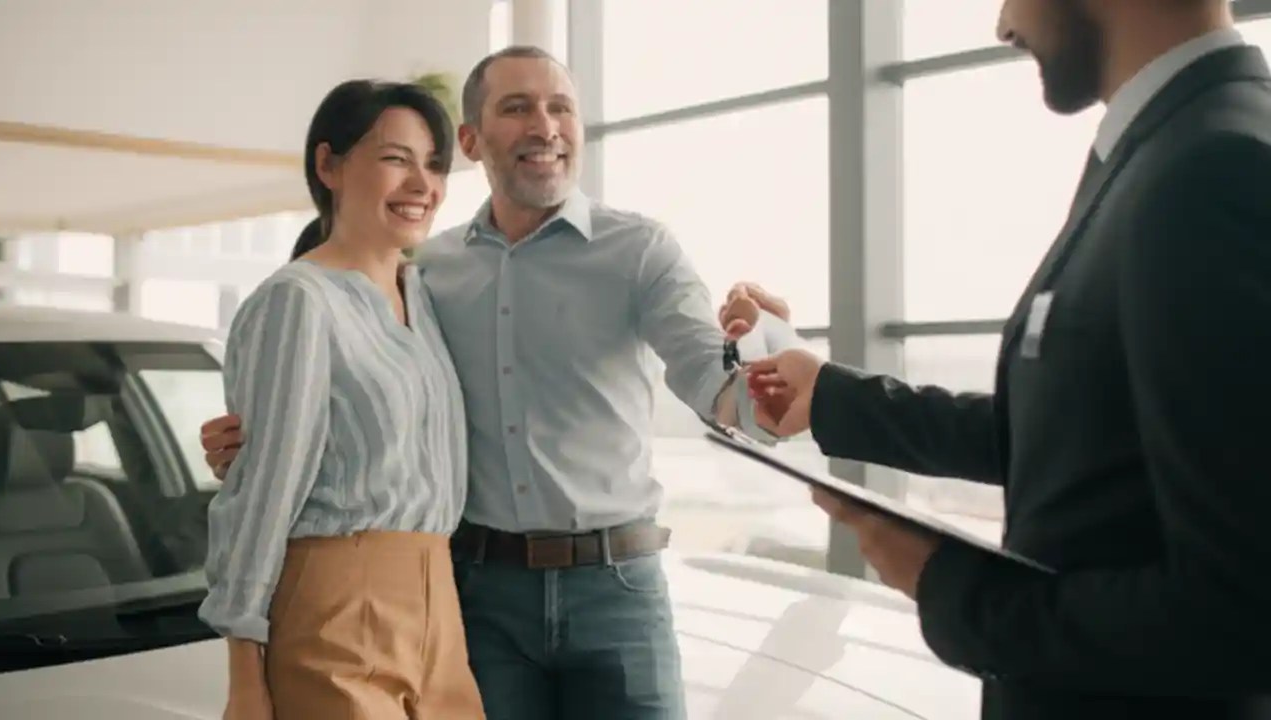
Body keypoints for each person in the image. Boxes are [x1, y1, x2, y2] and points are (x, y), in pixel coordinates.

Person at [199, 46, 792, 719]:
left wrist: (772, 352)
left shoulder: (639, 252)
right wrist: (257, 439)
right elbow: (319, 400)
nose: (545, 126)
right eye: (517, 108)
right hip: (477, 594)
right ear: (473, 140)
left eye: (560, 107)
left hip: (613, 590)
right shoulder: (429, 272)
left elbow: (737, 402)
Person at [743, 1, 1271, 719]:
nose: (1001, 24)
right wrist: (835, 399)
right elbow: (1083, 433)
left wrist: (952, 592)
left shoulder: (1212, 169)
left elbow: (1240, 612)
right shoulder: (1173, 148)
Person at [198, 79, 485, 720]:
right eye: (395, 158)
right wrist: (246, 680)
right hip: (336, 606)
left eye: (435, 164)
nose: (423, 184)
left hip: (439, 602)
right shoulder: (298, 301)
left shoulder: (425, 297)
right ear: (329, 165)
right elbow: (262, 494)